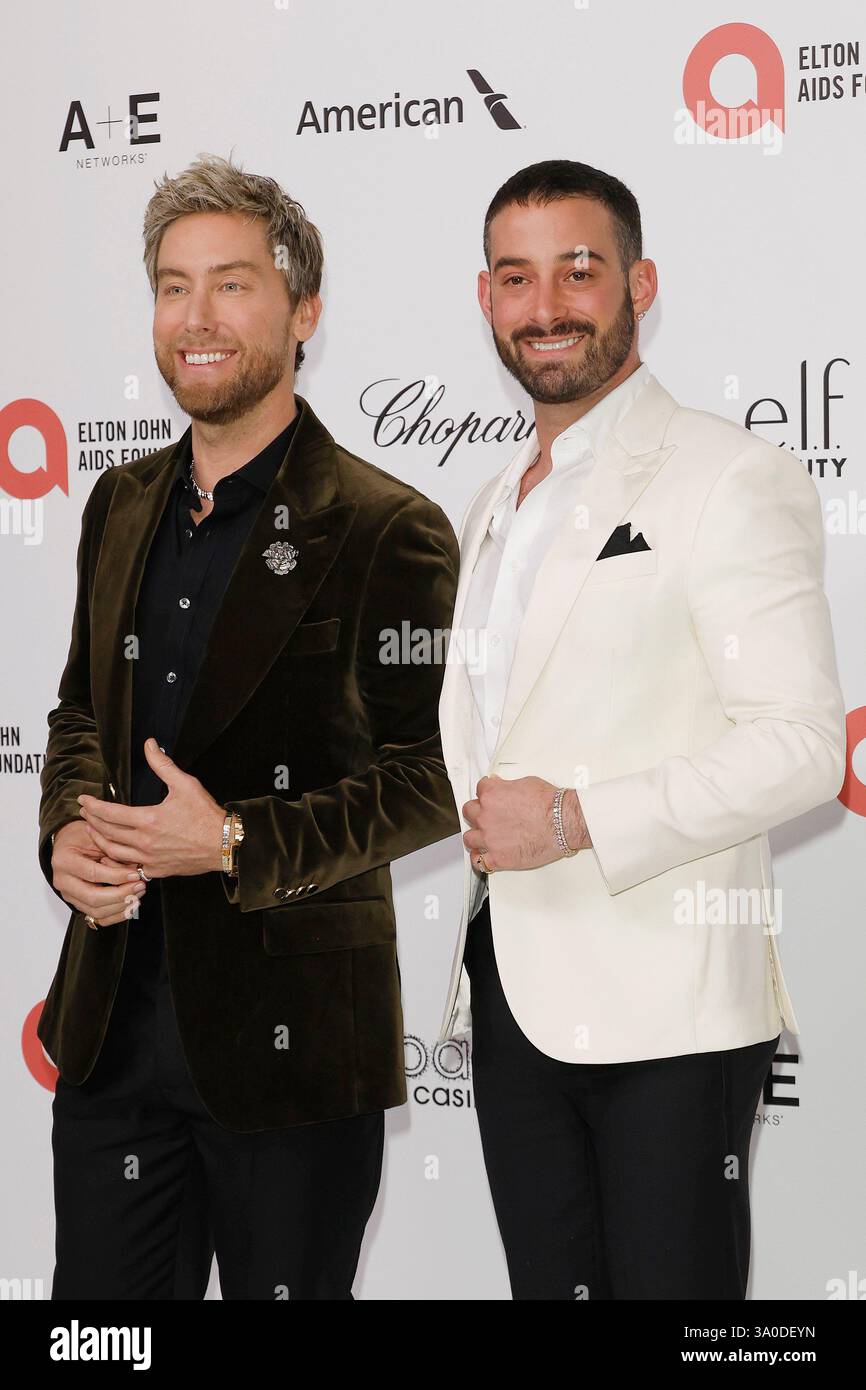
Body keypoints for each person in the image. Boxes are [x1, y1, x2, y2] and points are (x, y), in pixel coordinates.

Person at [37, 152, 460, 1300]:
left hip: (294, 1052)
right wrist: (66, 831)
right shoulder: (118, 501)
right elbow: (80, 709)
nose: (196, 317)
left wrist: (230, 843)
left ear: (301, 308)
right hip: (114, 1026)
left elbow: (430, 778)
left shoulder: (386, 527)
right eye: (173, 286)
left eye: (231, 283)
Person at [436, 159, 846, 1299]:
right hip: (511, 997)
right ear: (485, 301)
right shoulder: (490, 502)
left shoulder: (726, 476)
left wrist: (572, 819)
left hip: (668, 1008)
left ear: (639, 283)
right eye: (515, 277)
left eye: (579, 269)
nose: (546, 305)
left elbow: (803, 743)